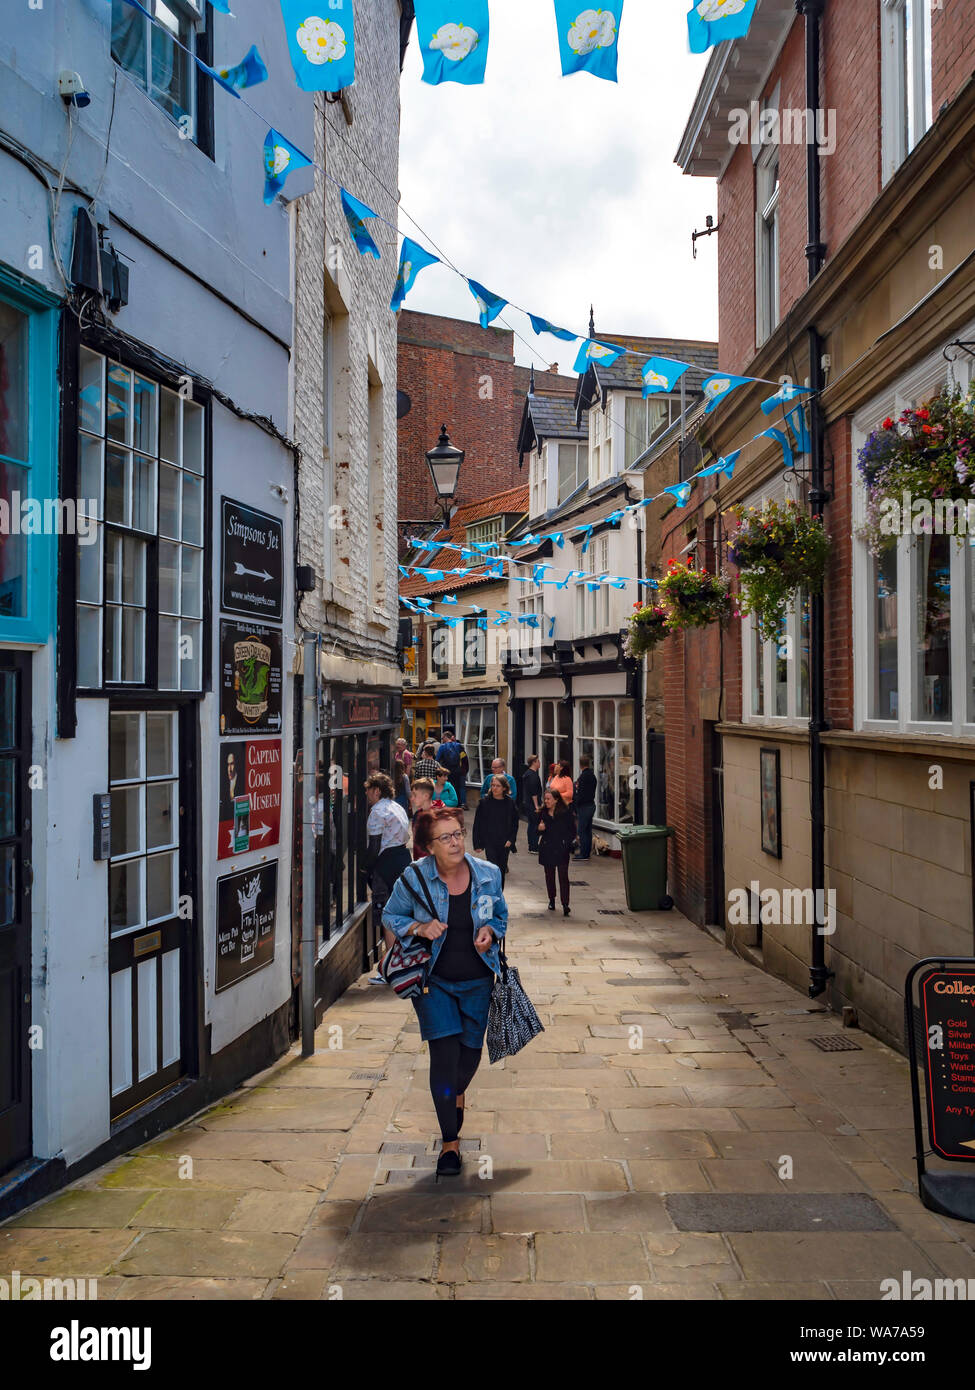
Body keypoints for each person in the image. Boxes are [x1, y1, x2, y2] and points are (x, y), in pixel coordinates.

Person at [382, 806, 507, 1177]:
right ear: (428, 846)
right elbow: (391, 915)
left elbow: (499, 915)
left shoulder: (489, 874)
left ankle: (451, 1097)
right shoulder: (413, 877)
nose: (455, 842)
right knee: (444, 1055)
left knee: (469, 1057)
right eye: (445, 837)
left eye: (458, 834)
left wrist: (491, 932)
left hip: (479, 981)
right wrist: (419, 928)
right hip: (432, 981)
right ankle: (450, 1144)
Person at [364, 773, 412, 955]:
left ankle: (390, 962)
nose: (367, 793)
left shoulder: (377, 811)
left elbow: (375, 845)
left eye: (368, 789)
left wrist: (365, 868)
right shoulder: (396, 806)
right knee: (400, 909)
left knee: (385, 913)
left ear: (376, 790)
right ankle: (401, 956)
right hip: (403, 858)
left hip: (386, 863)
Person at [472, 774, 519, 886]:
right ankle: (493, 895)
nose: (494, 788)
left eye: (497, 786)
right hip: (489, 841)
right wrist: (477, 843)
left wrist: (511, 840)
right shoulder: (484, 803)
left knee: (501, 870)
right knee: (493, 869)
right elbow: (477, 824)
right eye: (493, 785)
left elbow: (514, 824)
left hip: (504, 842)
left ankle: (499, 895)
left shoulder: (510, 803)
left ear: (504, 788)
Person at [537, 788, 576, 917]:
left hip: (561, 847)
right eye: (545, 799)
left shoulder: (565, 812)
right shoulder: (542, 813)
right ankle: (552, 899)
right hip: (547, 847)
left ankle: (565, 904)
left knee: (563, 876)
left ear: (556, 800)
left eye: (548, 799)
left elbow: (572, 830)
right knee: (549, 875)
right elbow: (536, 832)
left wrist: (567, 842)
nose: (546, 801)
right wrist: (540, 829)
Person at [409, 777, 444, 860]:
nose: (412, 798)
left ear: (426, 796)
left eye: (414, 794)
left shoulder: (438, 816)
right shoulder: (417, 815)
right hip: (420, 863)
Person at [573, 754, 597, 861]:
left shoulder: (582, 777)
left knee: (582, 831)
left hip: (584, 807)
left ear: (580, 765)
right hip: (591, 805)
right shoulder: (593, 776)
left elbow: (580, 794)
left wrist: (575, 805)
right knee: (587, 830)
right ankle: (586, 852)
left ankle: (584, 853)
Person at [436, 727, 469, 806]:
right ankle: (458, 803)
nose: (442, 739)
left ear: (445, 737)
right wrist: (464, 770)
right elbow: (464, 758)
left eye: (442, 738)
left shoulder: (442, 747)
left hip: (446, 772)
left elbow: (437, 760)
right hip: (457, 771)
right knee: (457, 788)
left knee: (447, 787)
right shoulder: (458, 746)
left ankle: (449, 803)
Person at [521, 754, 543, 854]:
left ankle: (531, 845)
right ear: (534, 762)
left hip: (527, 803)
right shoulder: (533, 775)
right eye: (538, 761)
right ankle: (534, 846)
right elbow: (534, 792)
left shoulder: (527, 774)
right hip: (532, 804)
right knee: (535, 824)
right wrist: (537, 806)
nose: (539, 763)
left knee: (531, 824)